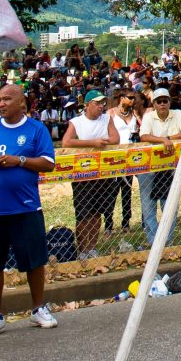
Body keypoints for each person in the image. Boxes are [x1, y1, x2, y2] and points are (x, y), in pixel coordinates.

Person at [0, 84, 57, 338]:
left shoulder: (36, 129)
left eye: (7, 99)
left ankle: (38, 308)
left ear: (22, 103)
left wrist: (18, 160)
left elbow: (48, 164)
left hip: (26, 207)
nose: (1, 104)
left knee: (34, 261)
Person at [61, 89, 120, 259]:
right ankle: (82, 248)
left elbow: (115, 139)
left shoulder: (107, 119)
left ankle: (92, 246)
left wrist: (102, 142)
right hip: (83, 174)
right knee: (83, 213)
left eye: (102, 103)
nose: (101, 106)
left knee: (96, 213)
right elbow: (67, 141)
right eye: (97, 103)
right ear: (87, 105)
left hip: (102, 173)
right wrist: (93, 143)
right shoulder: (76, 122)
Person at [138, 87, 181, 246]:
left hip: (170, 167)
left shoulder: (179, 114)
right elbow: (143, 136)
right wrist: (163, 141)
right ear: (153, 104)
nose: (162, 104)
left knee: (170, 206)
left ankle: (166, 241)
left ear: (169, 102)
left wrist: (167, 138)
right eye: (158, 101)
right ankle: (154, 241)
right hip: (149, 166)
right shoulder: (148, 117)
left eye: (165, 101)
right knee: (148, 206)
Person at [105, 88, 138, 239]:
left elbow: (141, 127)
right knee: (111, 192)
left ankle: (126, 223)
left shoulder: (133, 112)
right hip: (114, 157)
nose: (132, 100)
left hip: (130, 157)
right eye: (129, 97)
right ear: (121, 97)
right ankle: (108, 225)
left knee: (127, 191)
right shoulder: (110, 113)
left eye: (133, 98)